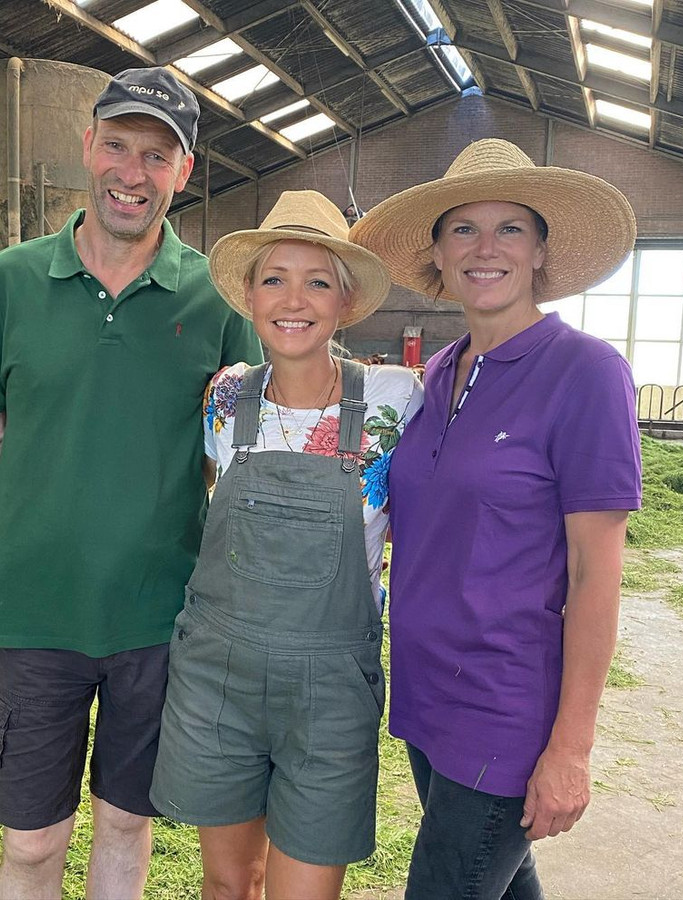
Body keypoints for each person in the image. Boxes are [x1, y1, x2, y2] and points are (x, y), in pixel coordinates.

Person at [0, 67, 262, 900]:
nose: (131, 172)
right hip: (35, 608)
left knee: (125, 823)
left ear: (183, 173)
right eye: (117, 145)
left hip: (159, 614)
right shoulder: (9, 280)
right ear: (88, 147)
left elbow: (251, 442)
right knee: (34, 844)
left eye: (157, 156)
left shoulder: (216, 298)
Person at [350, 139, 643, 899]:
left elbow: (595, 575)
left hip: (504, 706)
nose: (485, 249)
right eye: (462, 230)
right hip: (427, 691)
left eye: (509, 228)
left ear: (540, 249)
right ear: (438, 255)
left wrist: (570, 748)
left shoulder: (585, 374)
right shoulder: (439, 371)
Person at [150, 190, 423, 900]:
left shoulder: (396, 397)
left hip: (330, 687)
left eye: (317, 281)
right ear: (248, 296)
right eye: (274, 277)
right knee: (226, 881)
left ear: (344, 303)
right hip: (218, 674)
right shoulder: (226, 394)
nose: (292, 299)